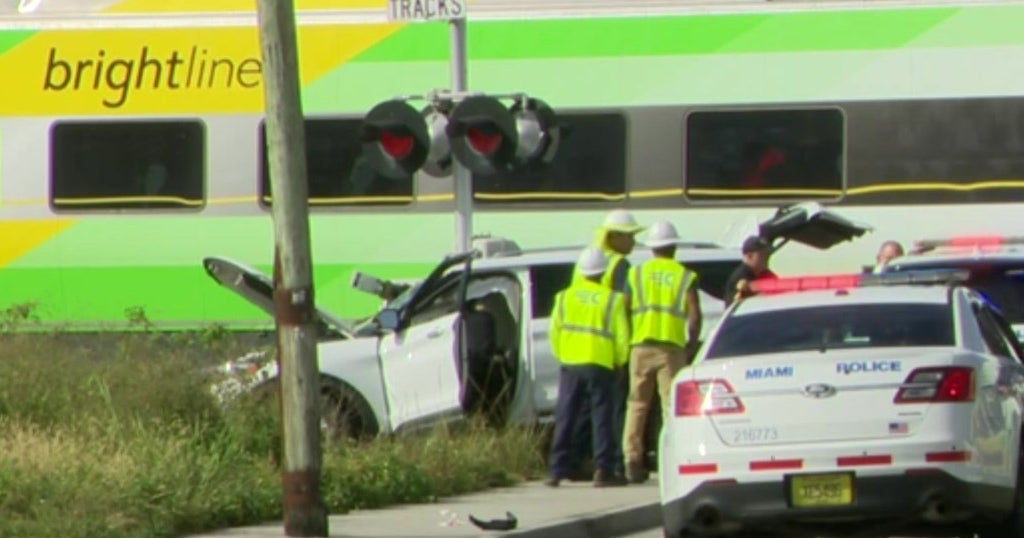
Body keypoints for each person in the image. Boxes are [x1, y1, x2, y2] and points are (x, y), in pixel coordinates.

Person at [622, 221, 702, 484]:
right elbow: (694, 314)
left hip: (640, 345)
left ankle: (632, 460)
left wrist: (628, 339)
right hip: (671, 348)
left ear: (652, 248)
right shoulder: (684, 275)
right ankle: (673, 457)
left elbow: (623, 308)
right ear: (673, 246)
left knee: (637, 406)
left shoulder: (636, 274)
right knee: (671, 407)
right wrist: (691, 344)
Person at [569, 209, 645, 479]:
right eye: (629, 236)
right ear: (614, 237)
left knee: (582, 410)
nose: (633, 242)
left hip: (577, 348)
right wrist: (623, 353)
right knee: (611, 410)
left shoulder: (587, 262)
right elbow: (624, 309)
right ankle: (610, 464)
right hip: (607, 347)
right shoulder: (620, 266)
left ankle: (575, 462)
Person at [545, 247, 630, 488]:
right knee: (602, 418)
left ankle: (556, 469)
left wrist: (563, 354)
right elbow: (621, 336)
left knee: (566, 415)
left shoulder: (564, 297)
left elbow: (555, 331)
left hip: (571, 363)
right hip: (600, 364)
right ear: (603, 272)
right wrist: (620, 362)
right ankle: (604, 470)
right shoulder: (611, 299)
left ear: (581, 271)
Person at [723, 236, 778, 307]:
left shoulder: (763, 274)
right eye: (762, 254)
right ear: (749, 256)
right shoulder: (742, 278)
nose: (767, 257)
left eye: (767, 254)